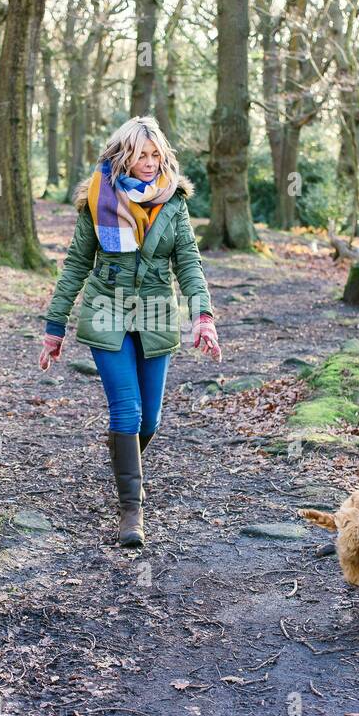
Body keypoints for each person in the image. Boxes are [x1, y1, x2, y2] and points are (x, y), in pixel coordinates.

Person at [38, 116, 221, 548]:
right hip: (107, 309)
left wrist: (203, 316)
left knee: (150, 419)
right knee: (127, 411)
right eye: (142, 155)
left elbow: (188, 262)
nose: (150, 163)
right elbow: (76, 264)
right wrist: (54, 326)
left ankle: (124, 461)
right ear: (123, 156)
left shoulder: (173, 201)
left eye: (156, 154)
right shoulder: (97, 199)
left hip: (156, 311)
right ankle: (131, 511)